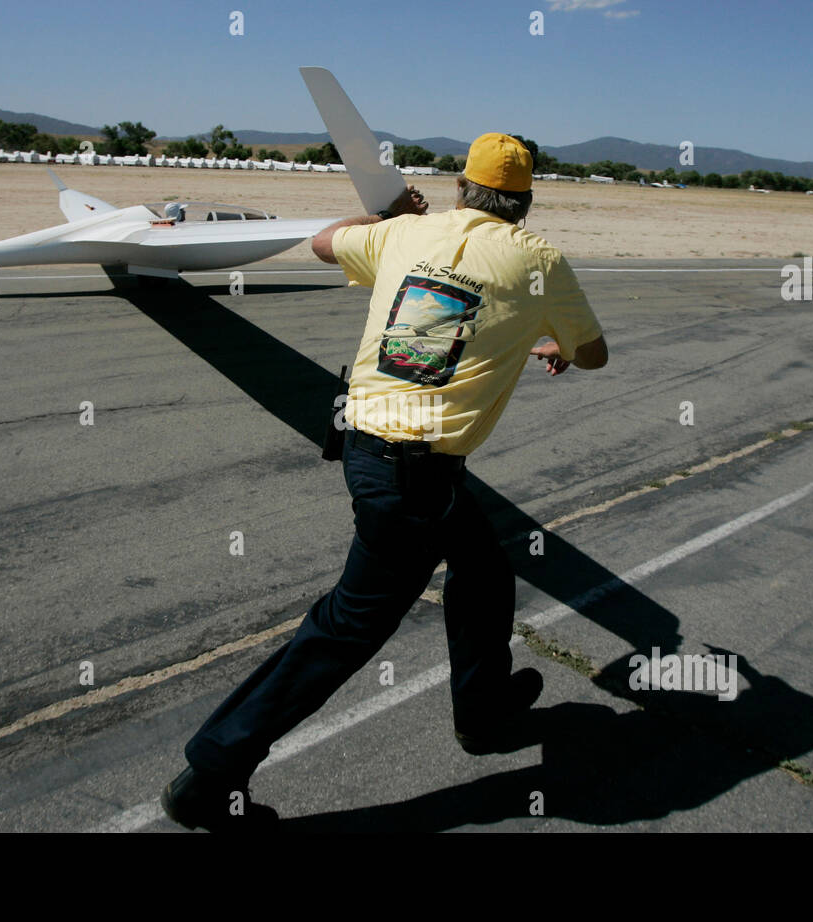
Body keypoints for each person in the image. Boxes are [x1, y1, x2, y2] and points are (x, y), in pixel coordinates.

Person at [163, 133, 608, 831]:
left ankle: (483, 710)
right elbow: (595, 353)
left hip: (372, 449)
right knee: (348, 627)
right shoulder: (539, 261)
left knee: (484, 571)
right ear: (524, 202)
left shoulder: (406, 234)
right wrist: (548, 341)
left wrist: (388, 217)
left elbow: (321, 242)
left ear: (463, 189)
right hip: (412, 475)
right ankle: (212, 773)